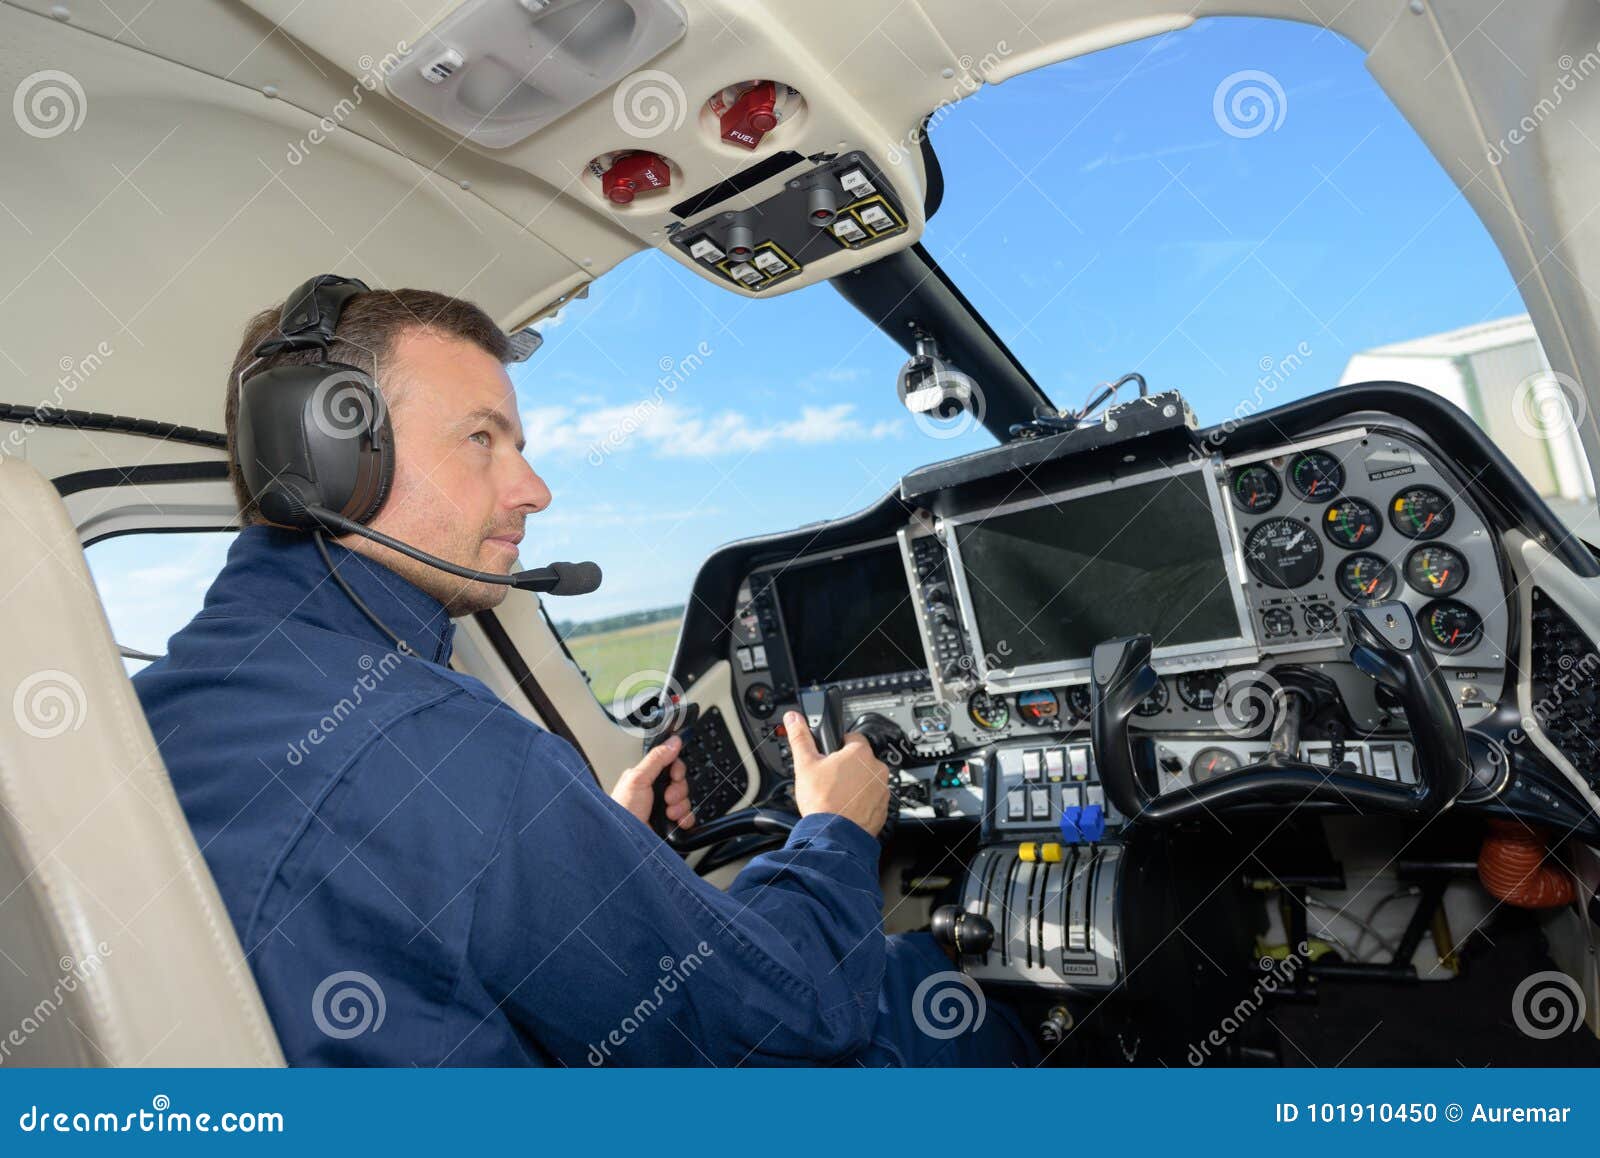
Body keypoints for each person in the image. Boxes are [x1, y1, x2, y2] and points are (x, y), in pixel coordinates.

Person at [133, 283, 1036, 1066]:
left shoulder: (147, 719)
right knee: (928, 987)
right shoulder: (446, 756)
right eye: (483, 438)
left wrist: (585, 846)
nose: (535, 488)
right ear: (329, 462)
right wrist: (836, 830)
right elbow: (785, 1024)